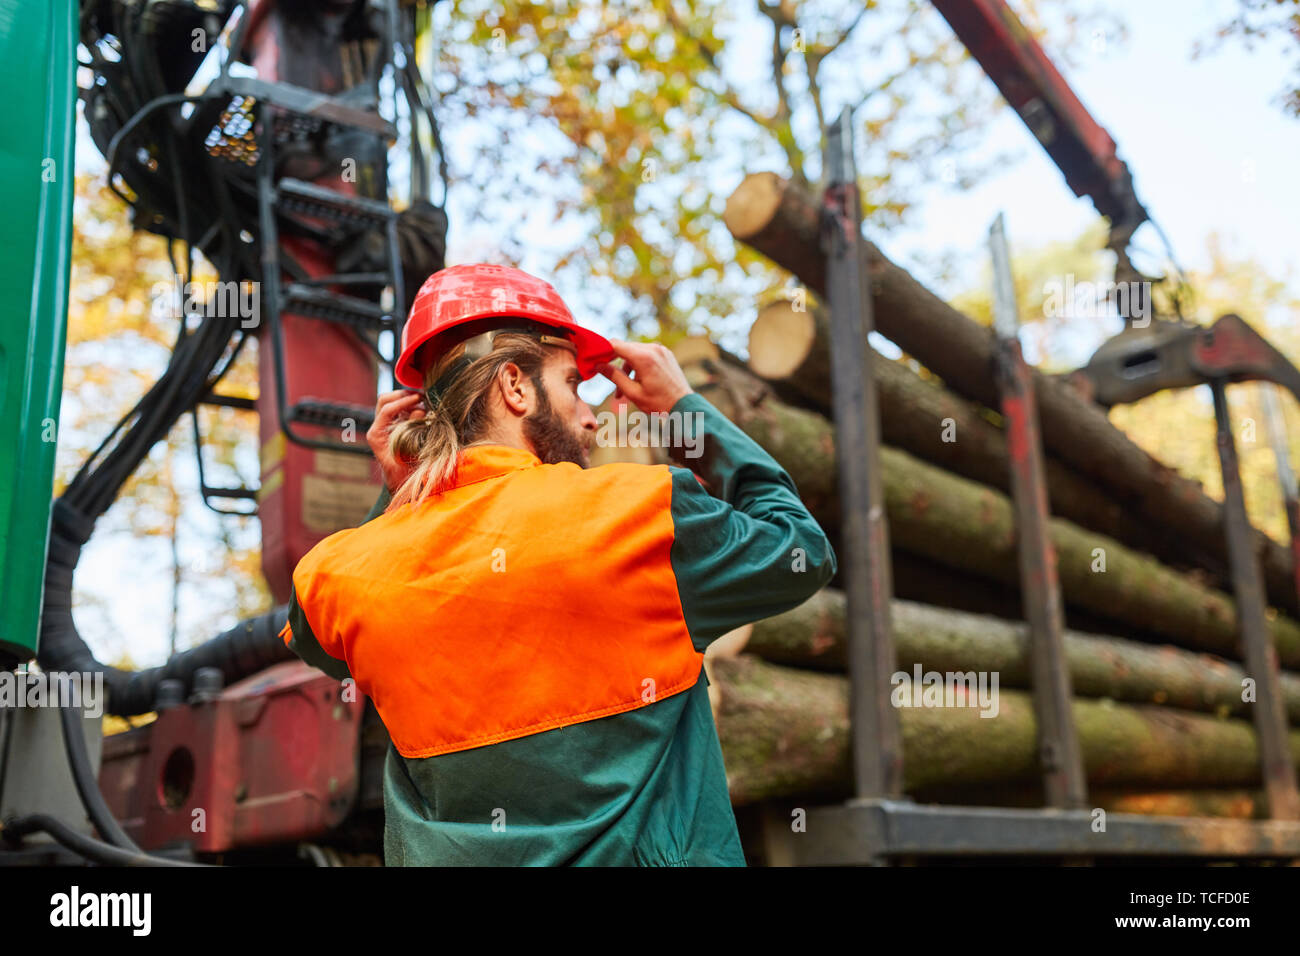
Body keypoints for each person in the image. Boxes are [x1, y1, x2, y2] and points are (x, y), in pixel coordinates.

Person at [280, 262, 836, 865]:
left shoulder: (345, 570)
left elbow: (316, 641)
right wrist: (684, 409)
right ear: (515, 387)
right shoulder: (640, 514)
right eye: (573, 384)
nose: (591, 414)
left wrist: (395, 495)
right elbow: (801, 549)